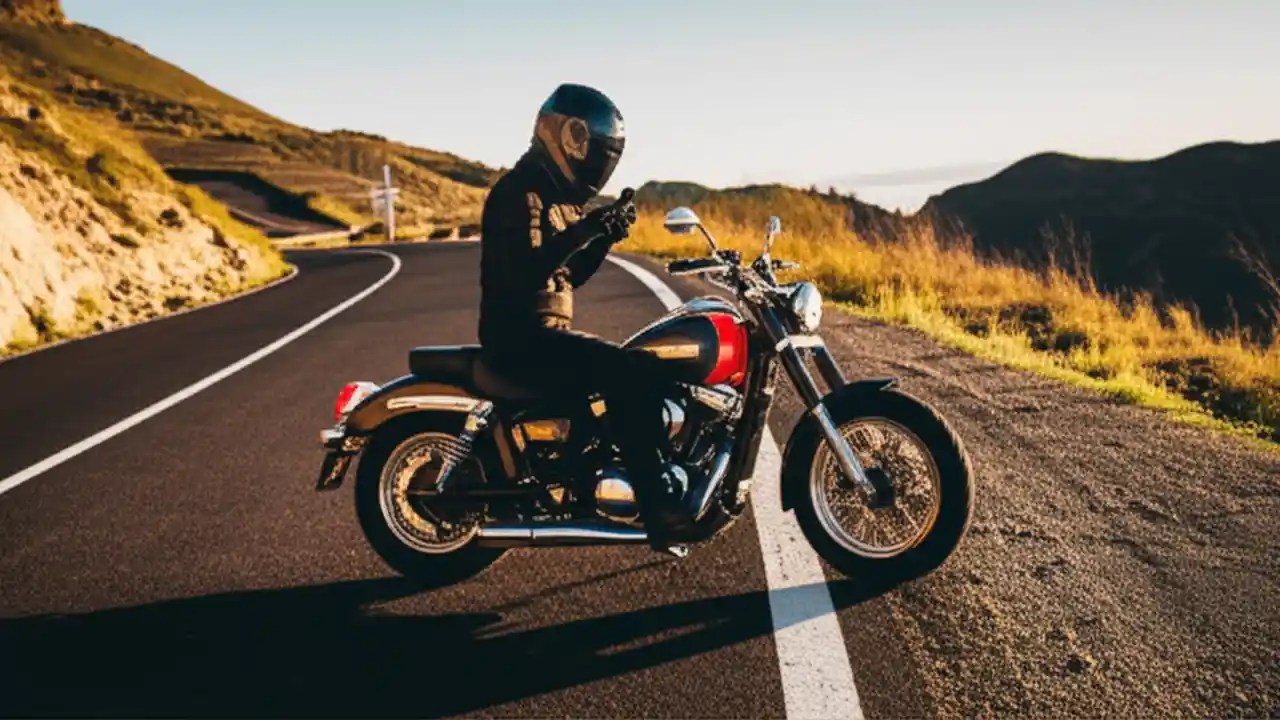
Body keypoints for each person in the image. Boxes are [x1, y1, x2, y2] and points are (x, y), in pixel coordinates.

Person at [477, 83, 692, 551]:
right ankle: (657, 509)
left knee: (647, 366)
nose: (591, 158)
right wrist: (587, 228)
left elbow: (567, 275)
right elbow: (527, 269)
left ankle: (630, 472)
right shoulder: (519, 193)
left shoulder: (559, 201)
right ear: (559, 134)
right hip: (519, 338)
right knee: (628, 370)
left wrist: (603, 237)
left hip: (547, 333)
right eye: (585, 145)